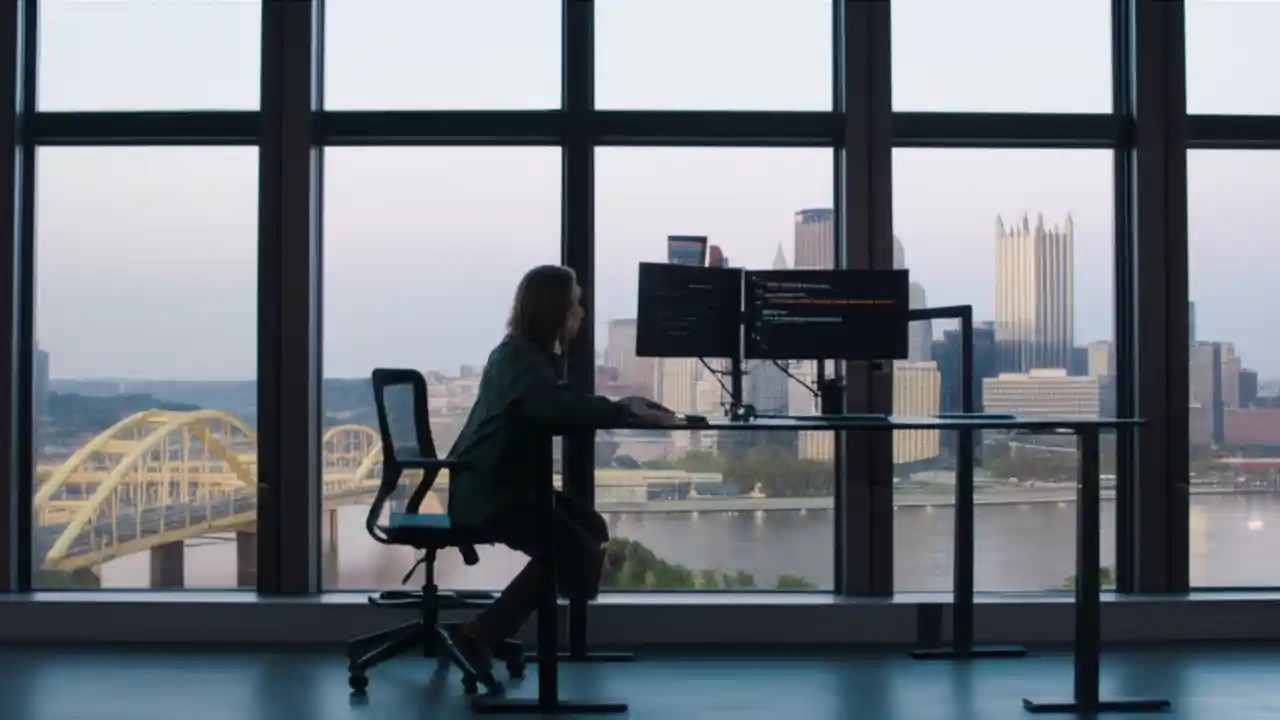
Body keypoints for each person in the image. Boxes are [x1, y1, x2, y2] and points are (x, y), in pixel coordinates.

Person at [446, 264, 678, 682]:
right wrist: (623, 412)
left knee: (591, 528)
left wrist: (622, 409)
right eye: (574, 304)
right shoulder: (519, 358)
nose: (580, 313)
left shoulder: (524, 355)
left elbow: (555, 403)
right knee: (573, 554)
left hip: (505, 486)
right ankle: (481, 633)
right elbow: (551, 407)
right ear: (556, 310)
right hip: (491, 493)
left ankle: (495, 627)